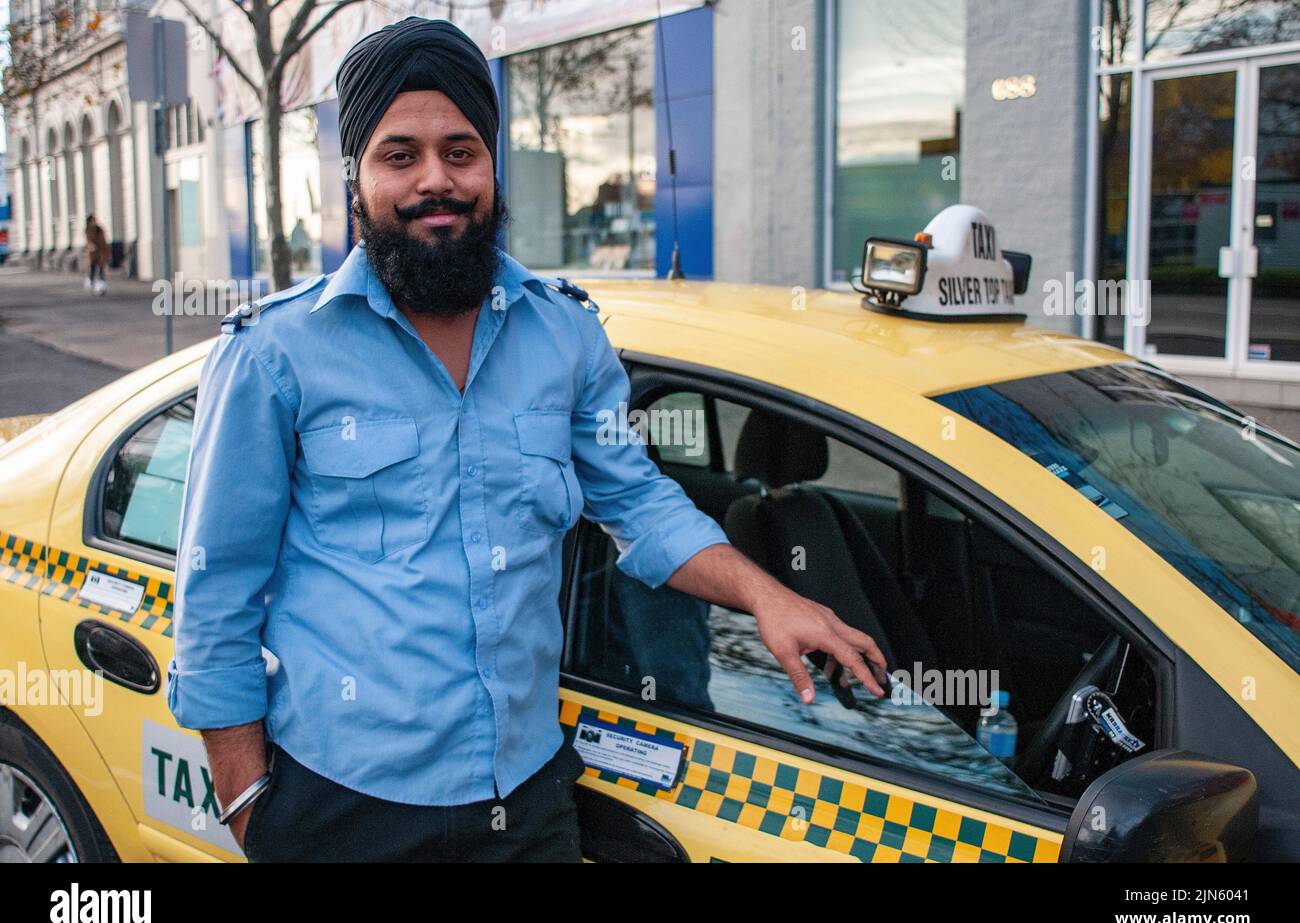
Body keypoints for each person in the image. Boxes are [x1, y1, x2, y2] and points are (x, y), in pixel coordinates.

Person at [167, 16, 887, 863]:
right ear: (355, 177)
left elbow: (641, 505)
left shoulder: (565, 335)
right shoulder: (273, 354)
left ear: (492, 164)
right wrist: (253, 804)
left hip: (525, 798)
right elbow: (215, 597)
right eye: (400, 155)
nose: (437, 179)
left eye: (461, 151)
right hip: (340, 804)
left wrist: (769, 595)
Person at [84, 214, 108, 295]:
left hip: (100, 253)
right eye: (93, 220)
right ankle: (91, 284)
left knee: (101, 270)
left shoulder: (99, 229)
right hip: (93, 254)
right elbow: (88, 242)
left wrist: (106, 252)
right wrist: (90, 246)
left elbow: (103, 241)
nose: (94, 222)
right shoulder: (88, 231)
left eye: (94, 220)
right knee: (92, 270)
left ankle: (101, 285)